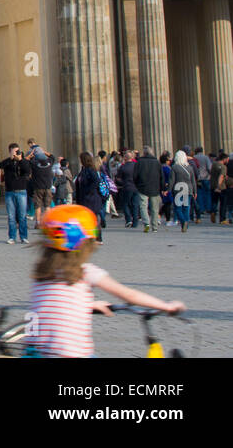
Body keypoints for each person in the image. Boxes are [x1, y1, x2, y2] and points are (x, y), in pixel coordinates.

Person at [26, 204, 183, 358]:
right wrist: (166, 306)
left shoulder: (41, 274)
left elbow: (55, 304)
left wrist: (88, 305)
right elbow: (129, 295)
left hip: (40, 352)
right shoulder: (85, 272)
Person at [0, 144, 31, 244]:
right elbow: (0, 165)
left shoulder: (23, 162)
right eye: (14, 151)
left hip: (21, 191)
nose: (16, 153)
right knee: (11, 216)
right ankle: (12, 237)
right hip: (10, 192)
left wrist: (20, 160)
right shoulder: (8, 163)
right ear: (10, 152)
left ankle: (24, 237)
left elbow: (27, 170)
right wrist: (10, 159)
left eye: (18, 151)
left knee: (22, 216)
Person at [72, 152, 106, 243]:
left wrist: (88, 191)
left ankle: (98, 238)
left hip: (91, 199)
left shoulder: (90, 170)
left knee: (93, 218)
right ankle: (90, 236)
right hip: (85, 198)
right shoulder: (84, 170)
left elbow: (96, 181)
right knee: (89, 218)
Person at [133, 146, 163, 232]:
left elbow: (135, 176)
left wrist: (137, 185)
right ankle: (155, 227)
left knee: (143, 206)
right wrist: (162, 187)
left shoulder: (139, 162)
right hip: (155, 187)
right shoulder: (157, 162)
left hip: (142, 187)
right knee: (154, 208)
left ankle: (146, 223)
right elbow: (161, 176)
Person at [169, 151, 195, 233]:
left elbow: (171, 181)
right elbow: (193, 181)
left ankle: (183, 221)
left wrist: (168, 190)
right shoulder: (190, 167)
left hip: (178, 188)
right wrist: (195, 191)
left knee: (178, 208)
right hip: (188, 189)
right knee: (186, 207)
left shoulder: (174, 167)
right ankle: (186, 221)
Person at [115, 150, 139, 229]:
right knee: (135, 205)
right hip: (136, 187)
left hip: (127, 187)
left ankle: (128, 219)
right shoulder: (136, 166)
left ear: (125, 158)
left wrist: (122, 183)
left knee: (125, 204)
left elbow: (118, 178)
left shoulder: (123, 167)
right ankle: (135, 222)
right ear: (132, 157)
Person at [192, 146, 212, 222]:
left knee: (199, 194)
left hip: (198, 179)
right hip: (206, 178)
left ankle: (201, 209)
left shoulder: (193, 158)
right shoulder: (206, 157)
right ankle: (208, 208)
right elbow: (209, 168)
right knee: (207, 193)